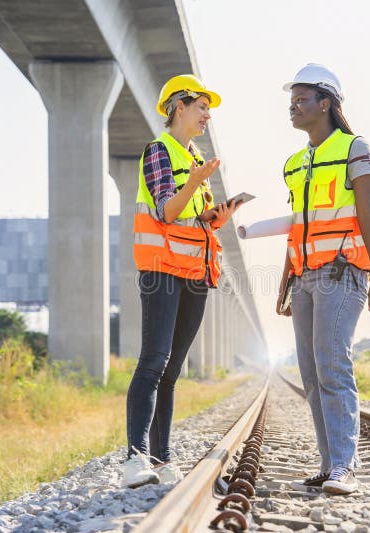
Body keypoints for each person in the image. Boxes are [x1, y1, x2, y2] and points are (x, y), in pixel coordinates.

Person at [277, 64, 370, 495]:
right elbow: (296, 224)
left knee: (332, 364)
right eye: (291, 101)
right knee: (310, 373)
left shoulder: (355, 149)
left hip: (342, 273)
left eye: (301, 99)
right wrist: (286, 279)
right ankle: (329, 466)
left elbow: (368, 214)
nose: (293, 107)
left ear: (326, 103)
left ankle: (346, 466)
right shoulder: (294, 163)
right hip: (304, 276)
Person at [124, 74, 240, 488]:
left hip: (193, 271)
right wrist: (193, 181)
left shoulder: (195, 161)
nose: (208, 115)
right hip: (161, 269)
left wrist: (216, 217)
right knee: (153, 361)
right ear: (178, 107)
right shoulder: (160, 151)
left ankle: (161, 459)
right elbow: (165, 213)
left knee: (172, 369)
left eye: (209, 108)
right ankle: (135, 460)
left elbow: (192, 218)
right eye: (202, 106)